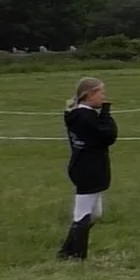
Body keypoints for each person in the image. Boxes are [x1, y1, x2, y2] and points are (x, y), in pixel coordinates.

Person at [59, 76, 117, 261]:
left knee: (94, 213)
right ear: (89, 95)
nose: (104, 96)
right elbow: (108, 135)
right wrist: (106, 112)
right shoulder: (85, 117)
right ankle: (76, 254)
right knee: (82, 213)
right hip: (88, 168)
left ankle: (68, 250)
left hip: (88, 166)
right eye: (101, 92)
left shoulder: (81, 115)